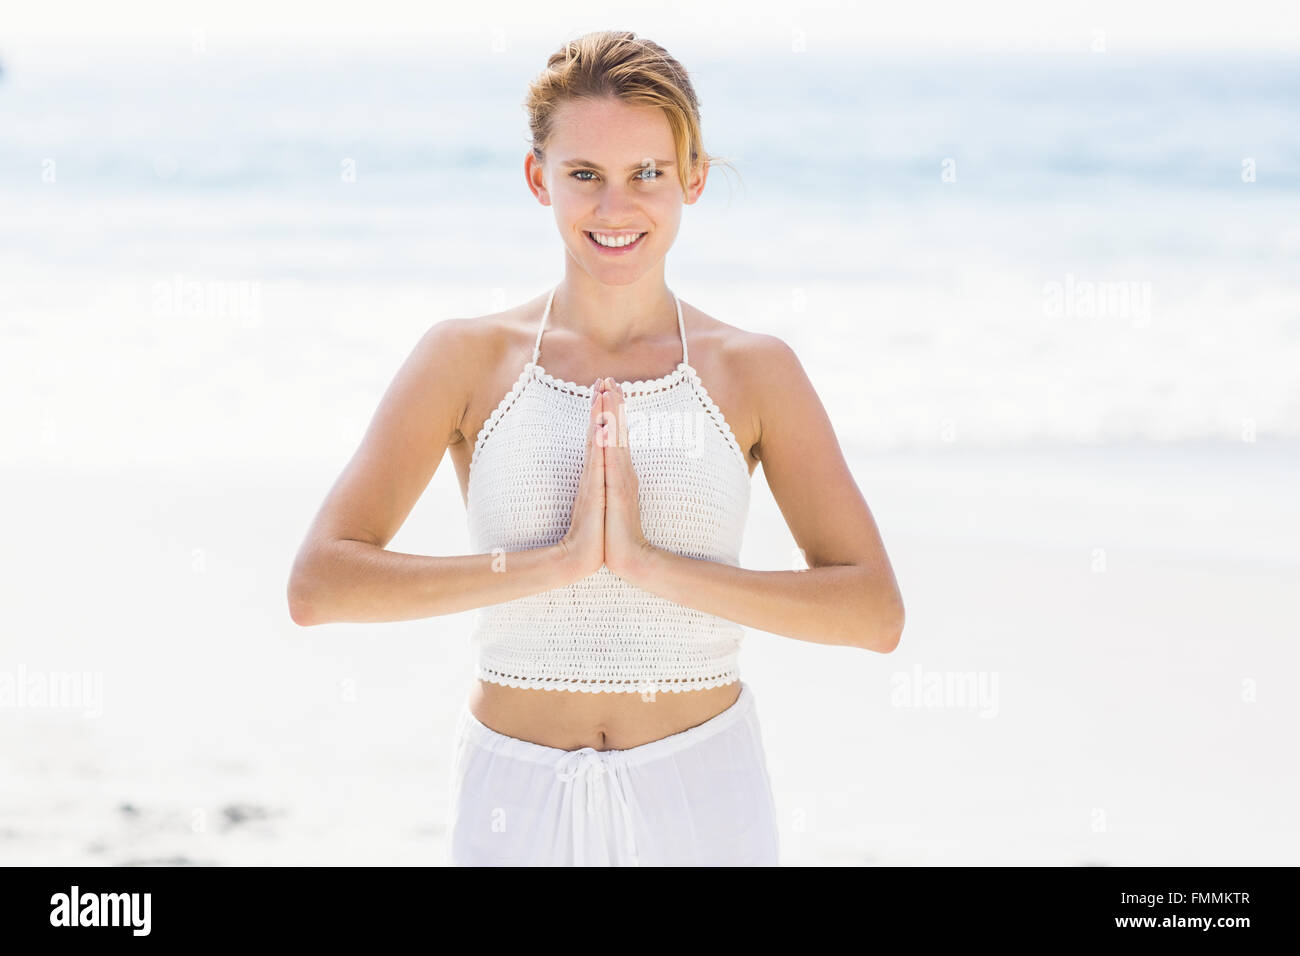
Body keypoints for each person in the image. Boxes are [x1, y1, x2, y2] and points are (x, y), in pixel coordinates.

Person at [287, 29, 905, 866]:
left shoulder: (754, 371)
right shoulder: (467, 358)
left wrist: (653, 567)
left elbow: (872, 612)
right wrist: (554, 565)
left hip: (701, 791)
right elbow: (321, 585)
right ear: (540, 178)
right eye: (586, 175)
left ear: (693, 176)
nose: (616, 208)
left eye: (647, 173)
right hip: (516, 789)